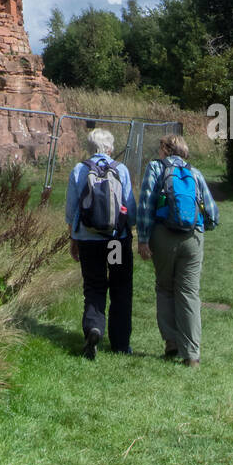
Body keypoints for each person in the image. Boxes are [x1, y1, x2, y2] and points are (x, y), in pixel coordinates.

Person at [136, 135, 219, 368]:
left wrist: (143, 239)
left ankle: (171, 342)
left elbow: (145, 205)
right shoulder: (196, 173)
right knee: (189, 293)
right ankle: (192, 354)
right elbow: (213, 213)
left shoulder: (155, 167)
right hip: (193, 237)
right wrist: (202, 228)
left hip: (163, 235)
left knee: (165, 288)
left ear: (164, 149)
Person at [65, 128, 136, 359]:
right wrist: (130, 230)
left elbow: (71, 210)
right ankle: (120, 343)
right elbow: (129, 207)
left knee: (94, 286)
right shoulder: (121, 170)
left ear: (90, 147)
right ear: (110, 148)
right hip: (116, 241)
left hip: (89, 240)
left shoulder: (80, 169)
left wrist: (73, 239)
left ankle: (94, 328)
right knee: (120, 287)